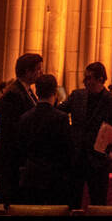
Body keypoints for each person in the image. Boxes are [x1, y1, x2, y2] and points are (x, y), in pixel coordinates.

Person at [59, 61, 112, 207]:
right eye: (85, 78)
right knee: (73, 200)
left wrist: (110, 150)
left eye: (89, 78)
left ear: (100, 79)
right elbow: (60, 113)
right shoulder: (77, 95)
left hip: (99, 159)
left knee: (98, 201)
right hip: (77, 157)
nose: (85, 81)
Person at [17, 73, 75, 206]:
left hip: (31, 176)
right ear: (55, 92)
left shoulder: (25, 117)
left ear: (36, 92)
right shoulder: (61, 118)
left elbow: (20, 147)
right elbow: (67, 149)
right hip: (55, 178)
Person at [0, 53, 43, 205]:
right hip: (13, 160)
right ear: (28, 71)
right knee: (11, 201)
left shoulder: (27, 91)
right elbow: (12, 130)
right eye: (38, 69)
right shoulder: (14, 94)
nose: (40, 73)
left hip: (21, 159)